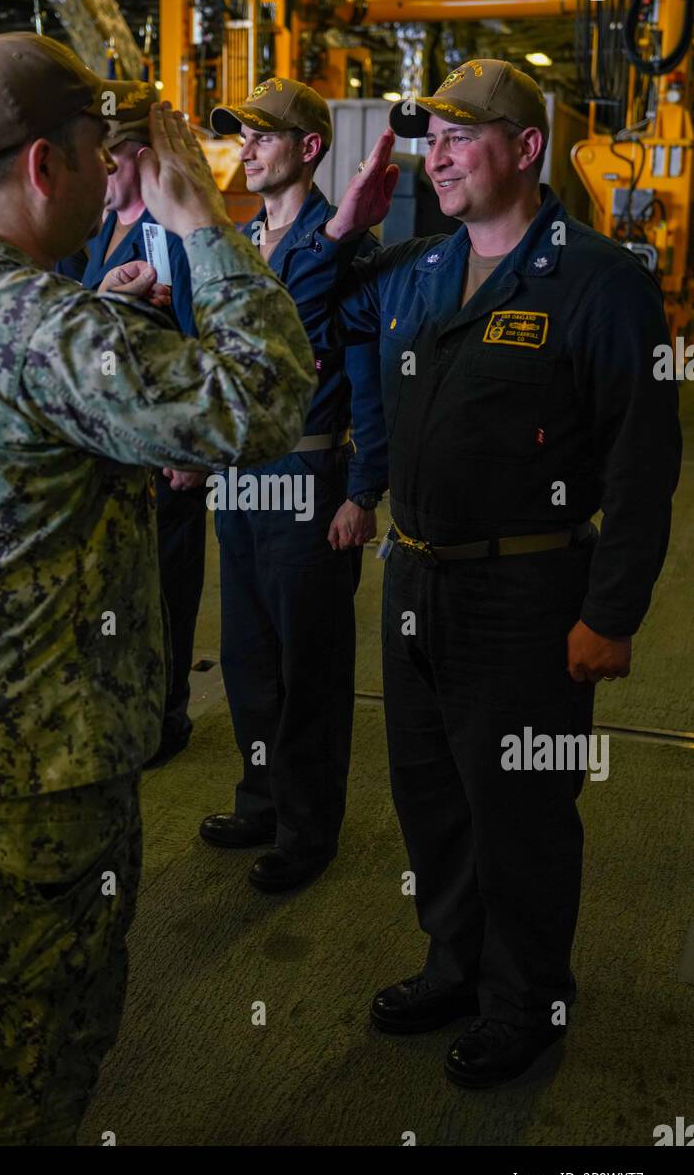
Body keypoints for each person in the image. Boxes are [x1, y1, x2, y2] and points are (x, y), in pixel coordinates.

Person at [0, 31, 316, 1145]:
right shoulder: (44, 326)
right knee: (42, 1036)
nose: (116, 177)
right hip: (39, 747)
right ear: (45, 169)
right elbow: (263, 400)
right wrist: (204, 222)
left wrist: (108, 320)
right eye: (97, 156)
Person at [305, 57, 682, 1086]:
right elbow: (301, 325)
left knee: (518, 805)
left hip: (526, 595)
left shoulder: (602, 283)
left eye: (466, 134)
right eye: (435, 136)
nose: (442, 153)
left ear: (528, 148)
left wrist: (612, 610)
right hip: (417, 581)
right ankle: (456, 962)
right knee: (432, 795)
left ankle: (530, 997)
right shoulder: (412, 270)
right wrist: (343, 226)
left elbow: (644, 463)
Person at [199, 77, 387, 892]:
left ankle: (308, 828)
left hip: (311, 472)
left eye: (263, 137)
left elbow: (368, 375)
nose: (246, 149)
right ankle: (262, 796)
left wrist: (364, 490)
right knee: (247, 655)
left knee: (307, 662)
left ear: (309, 148)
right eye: (242, 136)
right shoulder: (240, 242)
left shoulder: (349, 247)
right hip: (240, 474)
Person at [83, 81, 204, 768]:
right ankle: (134, 704)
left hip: (162, 448)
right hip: (118, 446)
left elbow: (195, 340)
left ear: (139, 156)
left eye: (110, 156)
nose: (100, 170)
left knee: (165, 587)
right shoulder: (105, 227)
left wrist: (190, 446)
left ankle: (166, 714)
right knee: (127, 591)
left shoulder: (167, 235)